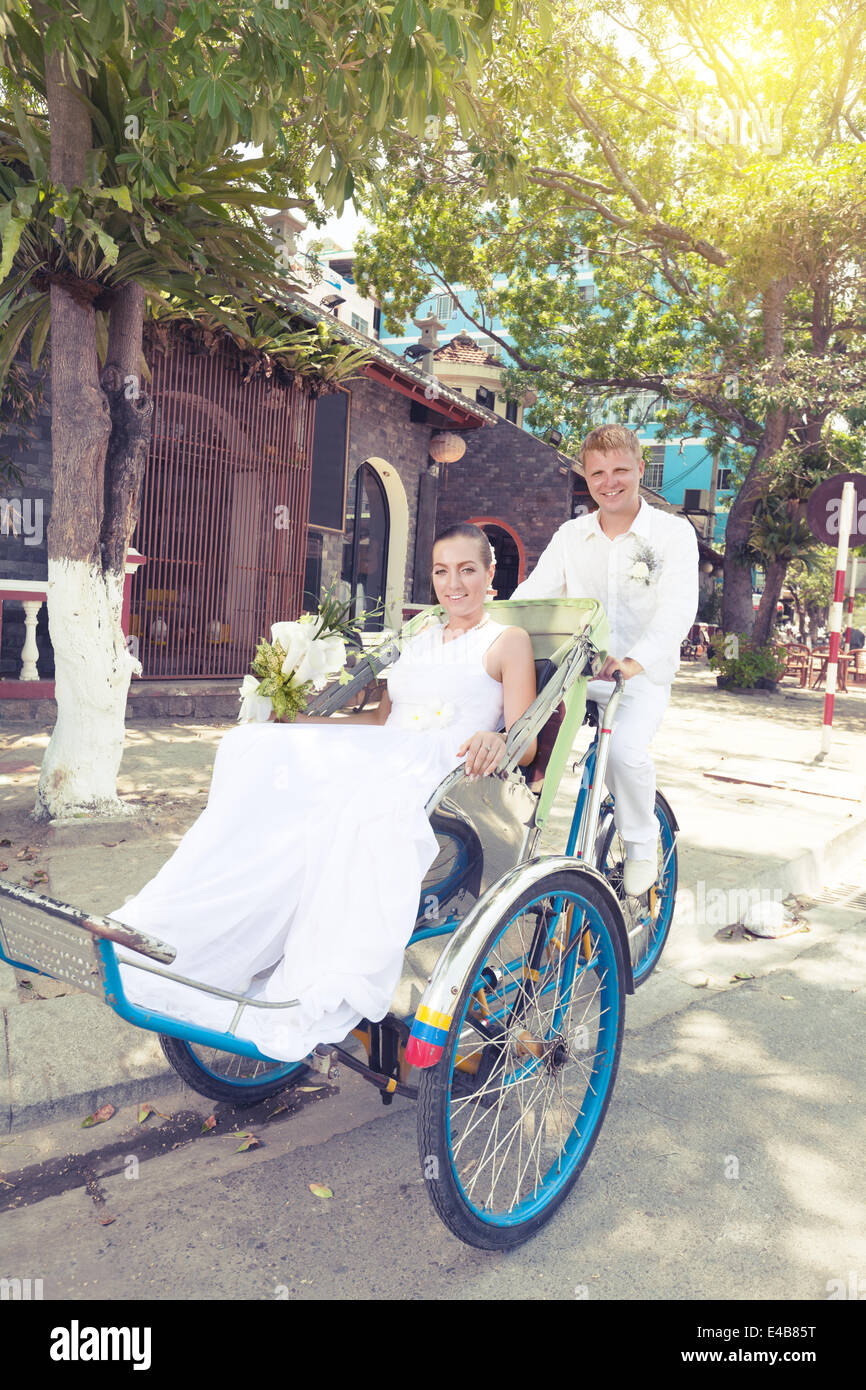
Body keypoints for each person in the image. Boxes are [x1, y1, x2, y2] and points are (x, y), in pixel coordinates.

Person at [108, 524, 537, 1063]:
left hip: (443, 767)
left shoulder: (507, 641)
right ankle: (169, 928)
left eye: (467, 570)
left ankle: (314, 973)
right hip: (390, 749)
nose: (454, 584)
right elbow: (382, 719)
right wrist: (306, 724)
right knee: (256, 747)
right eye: (442, 571)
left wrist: (496, 737)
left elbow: (525, 745)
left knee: (354, 805)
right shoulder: (419, 636)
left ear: (489, 574)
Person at [511, 423, 698, 896]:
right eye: (598, 473)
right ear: (586, 477)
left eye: (620, 470)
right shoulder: (571, 535)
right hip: (575, 674)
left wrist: (633, 662)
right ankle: (511, 831)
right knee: (510, 729)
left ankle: (640, 845)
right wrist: (500, 633)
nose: (609, 482)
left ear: (639, 469)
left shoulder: (673, 534)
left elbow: (678, 610)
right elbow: (533, 596)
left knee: (626, 752)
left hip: (639, 678)